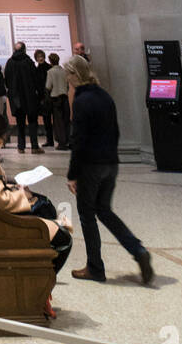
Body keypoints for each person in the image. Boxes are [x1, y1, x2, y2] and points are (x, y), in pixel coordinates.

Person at [65, 57, 153, 286]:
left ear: (75, 75)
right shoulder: (105, 96)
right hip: (110, 163)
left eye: (68, 75)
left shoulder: (82, 101)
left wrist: (72, 174)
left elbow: (79, 141)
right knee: (104, 210)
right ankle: (138, 249)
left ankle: (95, 268)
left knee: (87, 215)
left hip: (90, 166)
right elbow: (115, 132)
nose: (67, 80)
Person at [0, 112, 71, 319]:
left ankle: (43, 286)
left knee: (45, 206)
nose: (1, 144)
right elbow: (1, 200)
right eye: (1, 140)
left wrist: (15, 188)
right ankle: (41, 288)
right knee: (63, 236)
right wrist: (23, 196)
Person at [4, 41, 44, 154]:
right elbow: (36, 80)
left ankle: (20, 147)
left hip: (16, 99)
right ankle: (34, 146)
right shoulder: (28, 62)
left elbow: (6, 80)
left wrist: (12, 93)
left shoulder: (10, 62)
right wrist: (40, 95)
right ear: (24, 49)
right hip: (30, 97)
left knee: (20, 123)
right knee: (32, 122)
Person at [46, 52, 70, 149]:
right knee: (66, 120)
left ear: (50, 61)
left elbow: (48, 86)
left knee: (58, 121)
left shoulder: (50, 72)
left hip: (55, 98)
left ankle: (61, 142)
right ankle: (67, 140)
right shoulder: (64, 71)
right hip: (64, 97)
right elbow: (67, 86)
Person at [33, 49, 55, 147]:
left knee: (51, 119)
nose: (40, 58)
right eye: (38, 57)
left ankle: (53, 139)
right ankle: (49, 140)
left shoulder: (49, 68)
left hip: (50, 96)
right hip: (42, 97)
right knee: (46, 120)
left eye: (41, 56)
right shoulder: (37, 70)